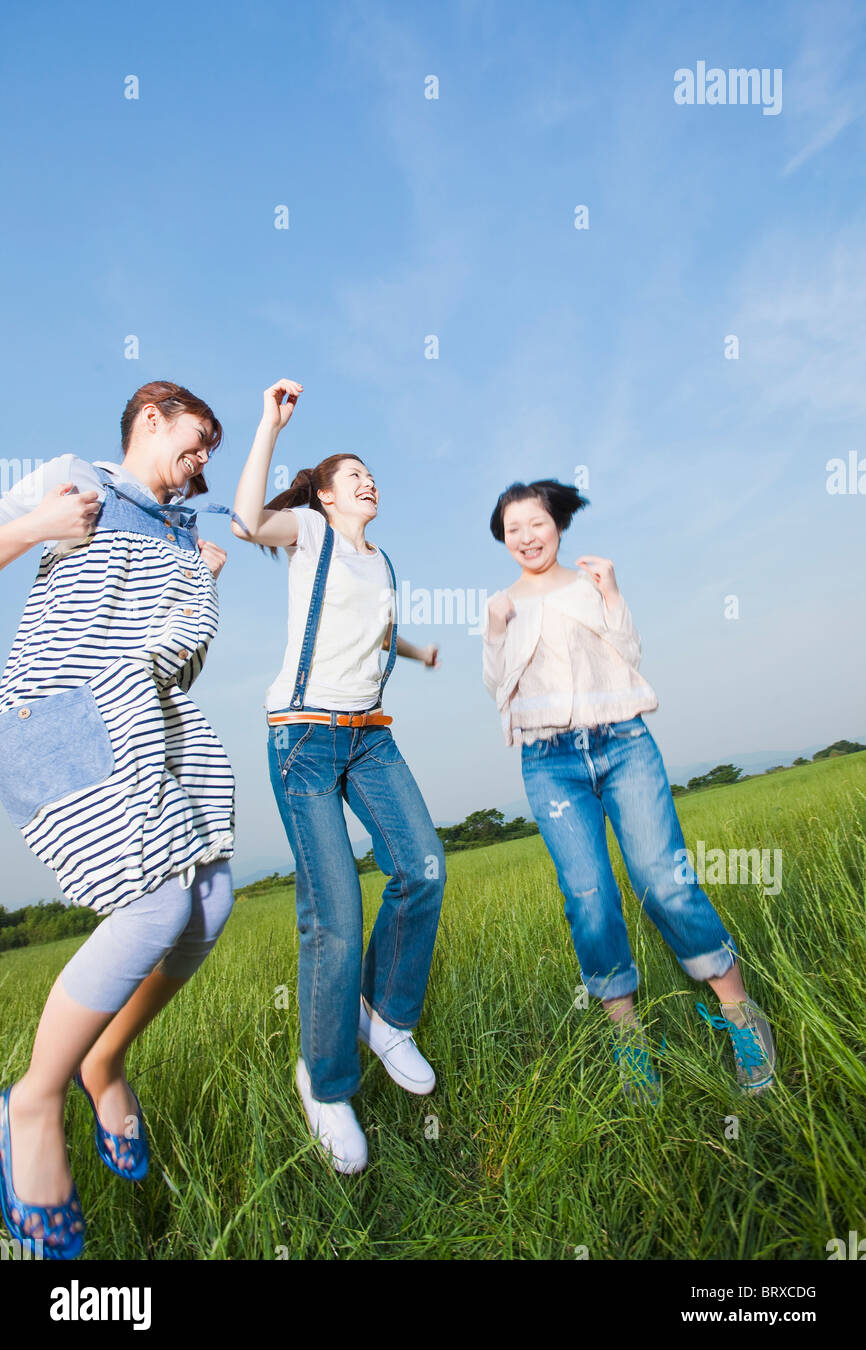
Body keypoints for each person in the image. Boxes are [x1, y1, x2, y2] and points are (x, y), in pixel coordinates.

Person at [0, 382, 237, 1259]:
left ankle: (103, 1061)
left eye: (215, 444)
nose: (205, 455)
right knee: (154, 909)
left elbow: (172, 669)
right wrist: (36, 529)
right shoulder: (74, 479)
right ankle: (31, 1102)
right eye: (198, 435)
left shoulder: (188, 544)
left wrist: (200, 590)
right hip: (57, 722)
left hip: (139, 727)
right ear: (150, 415)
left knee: (210, 902)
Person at [481, 478, 775, 1102]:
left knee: (663, 881)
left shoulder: (591, 583)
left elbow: (629, 654)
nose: (526, 537)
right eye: (513, 530)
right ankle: (630, 1040)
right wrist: (497, 631)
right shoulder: (502, 604)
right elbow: (500, 690)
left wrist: (611, 594)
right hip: (549, 760)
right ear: (503, 540)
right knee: (588, 896)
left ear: (556, 523)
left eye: (535, 523)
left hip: (622, 743)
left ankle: (741, 1016)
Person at [231, 379, 445, 1174]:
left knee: (423, 867)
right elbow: (248, 519)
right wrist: (268, 424)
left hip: (370, 738)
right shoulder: (310, 536)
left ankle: (384, 1015)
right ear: (323, 494)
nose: (367, 478)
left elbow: (373, 640)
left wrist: (417, 653)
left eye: (370, 471)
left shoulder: (382, 559)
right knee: (335, 914)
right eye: (351, 472)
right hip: (305, 740)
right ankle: (324, 1084)